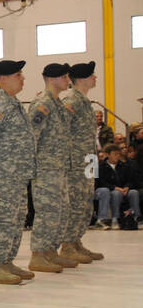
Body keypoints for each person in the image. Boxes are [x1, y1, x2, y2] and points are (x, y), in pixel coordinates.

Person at [0, 60, 36, 284]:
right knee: (1, 220)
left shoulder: (12, 103)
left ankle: (6, 261)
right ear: (3, 79)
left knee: (15, 219)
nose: (23, 78)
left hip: (16, 176)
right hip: (0, 177)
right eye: (18, 75)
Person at [28, 63, 76, 271]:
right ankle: (37, 254)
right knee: (47, 211)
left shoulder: (57, 103)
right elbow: (33, 136)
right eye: (64, 77)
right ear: (52, 79)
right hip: (46, 168)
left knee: (60, 211)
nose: (68, 81)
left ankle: (50, 251)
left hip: (59, 167)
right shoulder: (42, 103)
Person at [61, 62, 103, 262]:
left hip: (90, 158)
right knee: (76, 201)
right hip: (77, 160)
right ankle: (68, 245)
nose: (95, 77)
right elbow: (61, 129)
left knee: (86, 202)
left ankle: (77, 241)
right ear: (82, 78)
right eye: (92, 75)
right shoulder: (71, 100)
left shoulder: (85, 101)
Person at [95, 145, 141, 226]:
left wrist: (127, 187)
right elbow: (101, 182)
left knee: (134, 192)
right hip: (111, 190)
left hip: (124, 189)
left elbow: (130, 180)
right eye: (115, 154)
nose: (117, 156)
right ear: (108, 155)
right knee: (116, 193)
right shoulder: (101, 167)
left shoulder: (124, 166)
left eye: (118, 154)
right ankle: (115, 218)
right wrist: (115, 188)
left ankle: (136, 217)